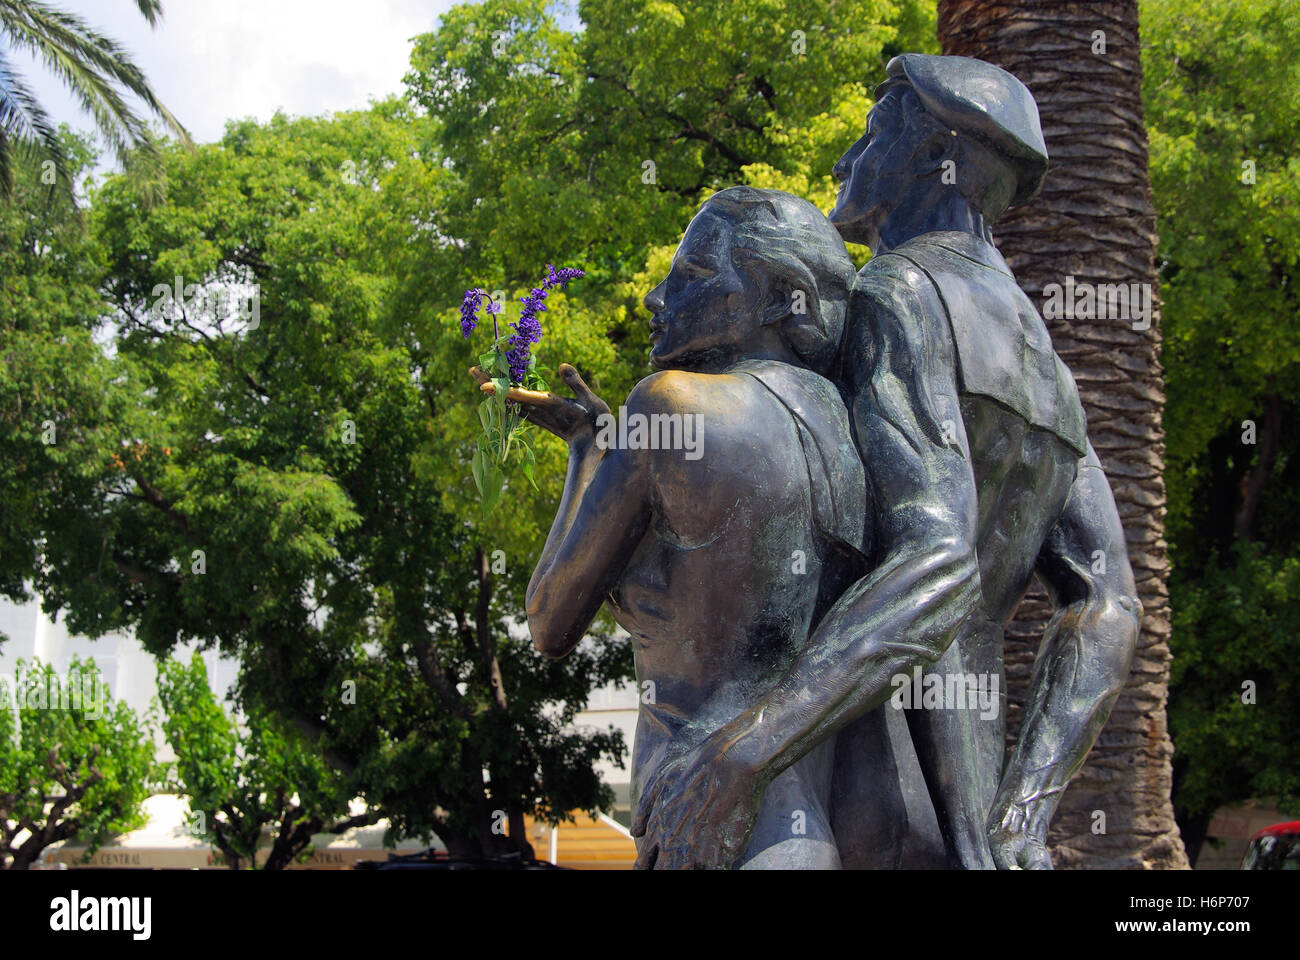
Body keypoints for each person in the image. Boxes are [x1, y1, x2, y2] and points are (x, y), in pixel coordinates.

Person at [631, 54, 1141, 870]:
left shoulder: (896, 295)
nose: (843, 162)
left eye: (870, 135)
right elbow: (1110, 605)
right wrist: (1021, 815)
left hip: (855, 784)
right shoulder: (1048, 367)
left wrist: (742, 754)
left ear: (933, 152)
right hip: (965, 807)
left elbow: (936, 562)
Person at [476, 187, 866, 868]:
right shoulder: (848, 426)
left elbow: (548, 621)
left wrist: (587, 452)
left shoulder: (668, 405)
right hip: (805, 832)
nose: (656, 298)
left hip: (698, 825)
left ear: (779, 298)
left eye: (690, 276)